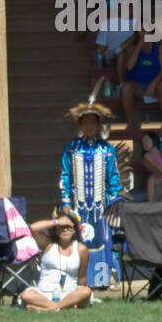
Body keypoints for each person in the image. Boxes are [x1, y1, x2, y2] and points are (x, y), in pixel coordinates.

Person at [59, 93, 124, 289]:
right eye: (85, 123)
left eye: (93, 123)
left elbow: (113, 178)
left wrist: (115, 202)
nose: (89, 127)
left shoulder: (107, 150)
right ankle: (80, 280)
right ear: (80, 126)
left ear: (98, 126)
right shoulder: (71, 149)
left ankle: (103, 279)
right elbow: (65, 176)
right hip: (78, 207)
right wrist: (65, 202)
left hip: (101, 206)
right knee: (80, 240)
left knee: (102, 239)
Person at [18, 210, 93, 311]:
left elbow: (82, 277)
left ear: (74, 230)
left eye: (69, 227)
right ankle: (63, 306)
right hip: (44, 294)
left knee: (86, 291)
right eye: (62, 227)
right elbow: (32, 228)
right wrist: (56, 222)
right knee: (26, 295)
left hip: (69, 294)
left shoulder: (81, 249)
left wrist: (81, 295)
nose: (65, 230)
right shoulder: (48, 244)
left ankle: (48, 308)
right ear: (56, 230)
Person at [120, 30, 162, 131]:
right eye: (141, 29)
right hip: (137, 85)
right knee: (126, 88)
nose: (143, 32)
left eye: (146, 29)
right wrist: (139, 46)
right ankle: (130, 122)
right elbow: (129, 67)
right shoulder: (132, 46)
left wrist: (153, 84)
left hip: (155, 84)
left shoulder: (159, 46)